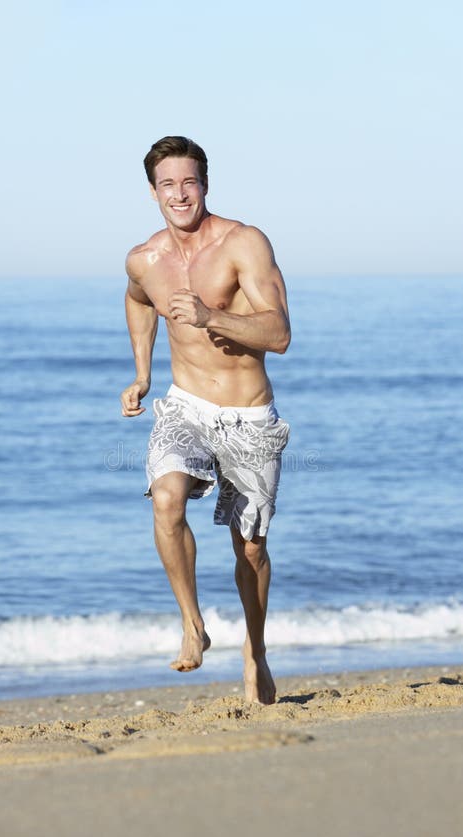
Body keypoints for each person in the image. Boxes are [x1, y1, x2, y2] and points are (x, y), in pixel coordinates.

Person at [120, 136, 291, 704]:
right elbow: (139, 299)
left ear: (205, 184)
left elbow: (280, 334)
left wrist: (211, 315)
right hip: (186, 405)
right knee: (166, 498)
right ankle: (193, 623)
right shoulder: (144, 259)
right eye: (167, 184)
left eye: (188, 182)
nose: (179, 194)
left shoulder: (244, 243)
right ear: (153, 192)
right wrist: (142, 373)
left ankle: (256, 652)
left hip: (247, 414)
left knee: (251, 549)